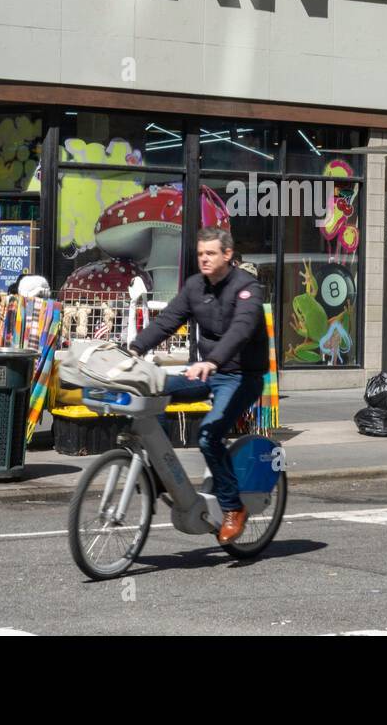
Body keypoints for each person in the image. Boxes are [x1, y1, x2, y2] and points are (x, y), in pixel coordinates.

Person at [128, 227, 268, 543]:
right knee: (152, 389)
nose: (203, 259)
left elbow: (241, 330)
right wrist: (135, 348)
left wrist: (213, 361)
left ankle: (233, 509)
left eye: (210, 253)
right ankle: (162, 472)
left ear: (227, 255)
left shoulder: (247, 288)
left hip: (240, 377)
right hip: (207, 371)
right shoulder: (195, 286)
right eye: (200, 253)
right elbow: (167, 321)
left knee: (208, 435)